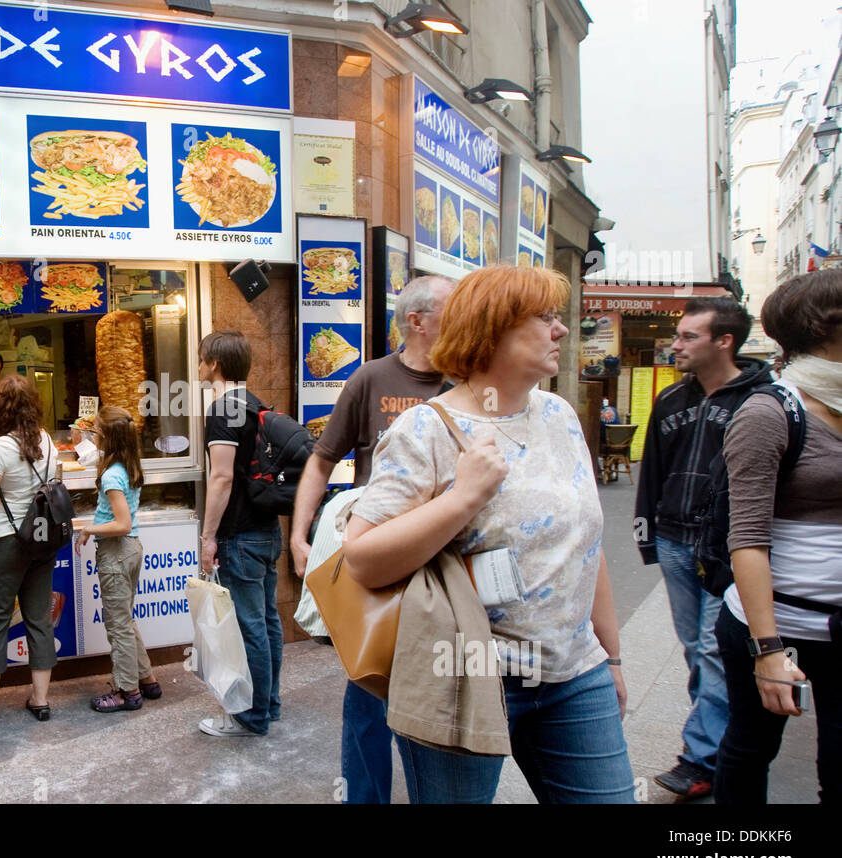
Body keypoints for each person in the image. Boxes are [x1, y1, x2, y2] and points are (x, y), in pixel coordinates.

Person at [343, 265, 633, 803]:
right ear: (491, 329)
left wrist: (610, 659)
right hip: (467, 674)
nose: (561, 330)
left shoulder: (562, 416)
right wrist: (463, 498)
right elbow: (362, 560)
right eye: (545, 318)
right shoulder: (425, 429)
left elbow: (586, 549)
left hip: (575, 675)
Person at [288, 274, 453, 803]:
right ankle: (365, 797)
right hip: (376, 559)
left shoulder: (468, 380)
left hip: (447, 561)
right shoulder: (371, 379)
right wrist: (299, 535)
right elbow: (321, 460)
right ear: (418, 321)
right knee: (368, 685)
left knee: (438, 689)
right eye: (454, 311)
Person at [716, 269, 842, 803]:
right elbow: (747, 539)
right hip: (776, 625)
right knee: (750, 749)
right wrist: (766, 651)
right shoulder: (771, 412)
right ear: (829, 327)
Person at [634, 296, 768, 799]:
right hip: (672, 538)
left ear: (724, 341)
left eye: (689, 336)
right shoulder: (672, 400)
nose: (677, 345)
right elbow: (653, 470)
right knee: (696, 648)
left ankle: (700, 759)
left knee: (714, 649)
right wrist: (647, 533)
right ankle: (718, 741)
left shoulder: (761, 400)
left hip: (725, 546)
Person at [197, 329, 282, 737]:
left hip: (240, 536)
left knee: (249, 626)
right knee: (266, 620)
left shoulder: (223, 409)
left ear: (214, 363)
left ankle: (251, 716)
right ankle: (270, 704)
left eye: (201, 359)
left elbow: (222, 478)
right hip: (267, 531)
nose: (198, 366)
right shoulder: (256, 405)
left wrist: (208, 536)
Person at [0, 374, 59, 726]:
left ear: (0, 409)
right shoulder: (47, 441)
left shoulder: (0, 447)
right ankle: (40, 700)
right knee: (39, 619)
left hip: (7, 541)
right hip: (41, 540)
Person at [77, 406, 162, 712]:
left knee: (117, 626)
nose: (93, 435)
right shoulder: (127, 466)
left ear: (107, 438)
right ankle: (147, 679)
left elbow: (121, 523)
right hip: (131, 548)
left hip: (116, 549)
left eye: (96, 432)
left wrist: (88, 528)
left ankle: (128, 691)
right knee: (125, 620)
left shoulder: (113, 475)